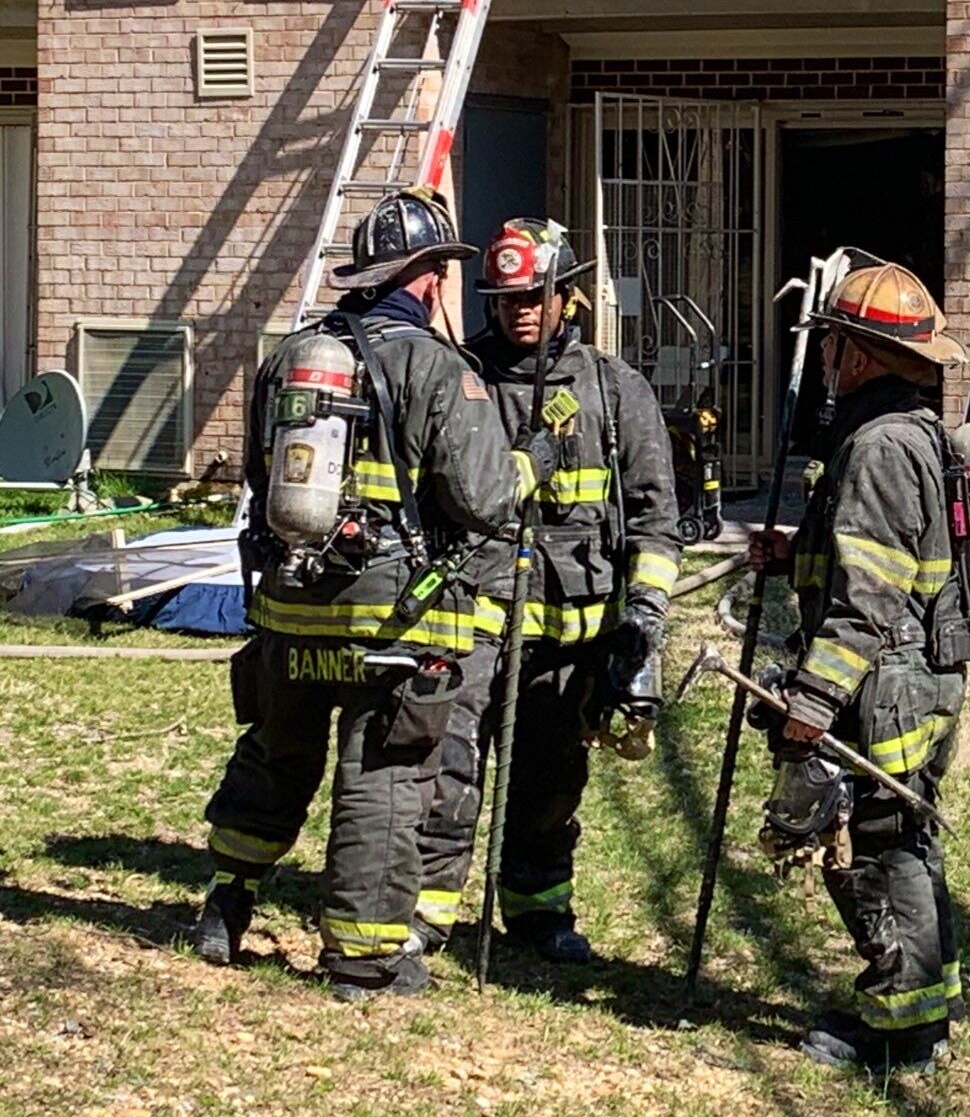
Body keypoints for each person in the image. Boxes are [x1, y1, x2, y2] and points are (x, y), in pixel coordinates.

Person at [197, 187, 555, 1003]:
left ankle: (227, 904)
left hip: (291, 610)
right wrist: (528, 454)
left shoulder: (292, 356)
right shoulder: (437, 367)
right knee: (385, 779)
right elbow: (488, 498)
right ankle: (361, 963)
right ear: (428, 277)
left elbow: (261, 478)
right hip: (396, 621)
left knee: (275, 754)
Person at [414, 218, 683, 965]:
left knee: (549, 780)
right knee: (449, 767)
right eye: (503, 299)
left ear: (566, 293)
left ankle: (538, 912)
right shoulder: (460, 377)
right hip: (469, 617)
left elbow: (656, 519)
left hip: (571, 631)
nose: (518, 311)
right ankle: (428, 914)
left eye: (533, 295)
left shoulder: (613, 388)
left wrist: (646, 614)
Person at [747, 256, 970, 1074]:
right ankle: (931, 1000)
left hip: (886, 687)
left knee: (878, 844)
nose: (824, 360)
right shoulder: (911, 433)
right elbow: (870, 562)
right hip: (921, 677)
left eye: (833, 343)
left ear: (858, 353)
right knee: (907, 833)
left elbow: (866, 601)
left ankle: (900, 1029)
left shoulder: (879, 447)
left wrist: (811, 700)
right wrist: (795, 550)